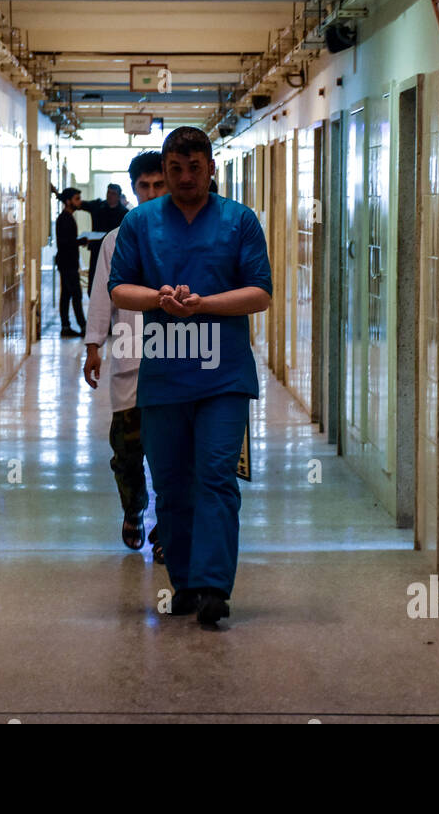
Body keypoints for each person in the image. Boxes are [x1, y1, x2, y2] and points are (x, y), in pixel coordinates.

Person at [108, 126, 272, 627]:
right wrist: (160, 299)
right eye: (174, 169)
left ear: (211, 168)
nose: (183, 178)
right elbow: (119, 290)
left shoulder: (240, 221)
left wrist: (202, 305)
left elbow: (260, 293)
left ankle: (213, 587)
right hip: (164, 375)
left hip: (224, 376)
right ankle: (182, 580)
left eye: (193, 168)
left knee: (217, 476)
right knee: (173, 482)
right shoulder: (141, 223)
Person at [83, 154, 167, 556]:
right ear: (134, 189)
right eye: (144, 186)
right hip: (131, 360)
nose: (151, 193)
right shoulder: (116, 240)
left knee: (174, 453)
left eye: (158, 185)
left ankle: (168, 526)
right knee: (128, 452)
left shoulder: (184, 235)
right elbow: (102, 296)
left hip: (178, 362)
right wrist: (93, 346)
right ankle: (134, 509)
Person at [81, 184, 130, 293]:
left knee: (110, 279)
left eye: (113, 194)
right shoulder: (98, 206)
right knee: (94, 278)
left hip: (114, 252)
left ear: (118, 196)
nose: (110, 196)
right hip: (97, 250)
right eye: (108, 193)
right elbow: (80, 204)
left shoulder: (124, 213)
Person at [55, 187, 88, 337]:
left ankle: (66, 326)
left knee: (67, 295)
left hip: (67, 262)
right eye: (76, 199)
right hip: (67, 263)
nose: (79, 202)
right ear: (68, 201)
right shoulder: (64, 218)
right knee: (76, 294)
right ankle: (83, 326)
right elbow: (64, 242)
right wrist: (79, 241)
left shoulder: (67, 217)